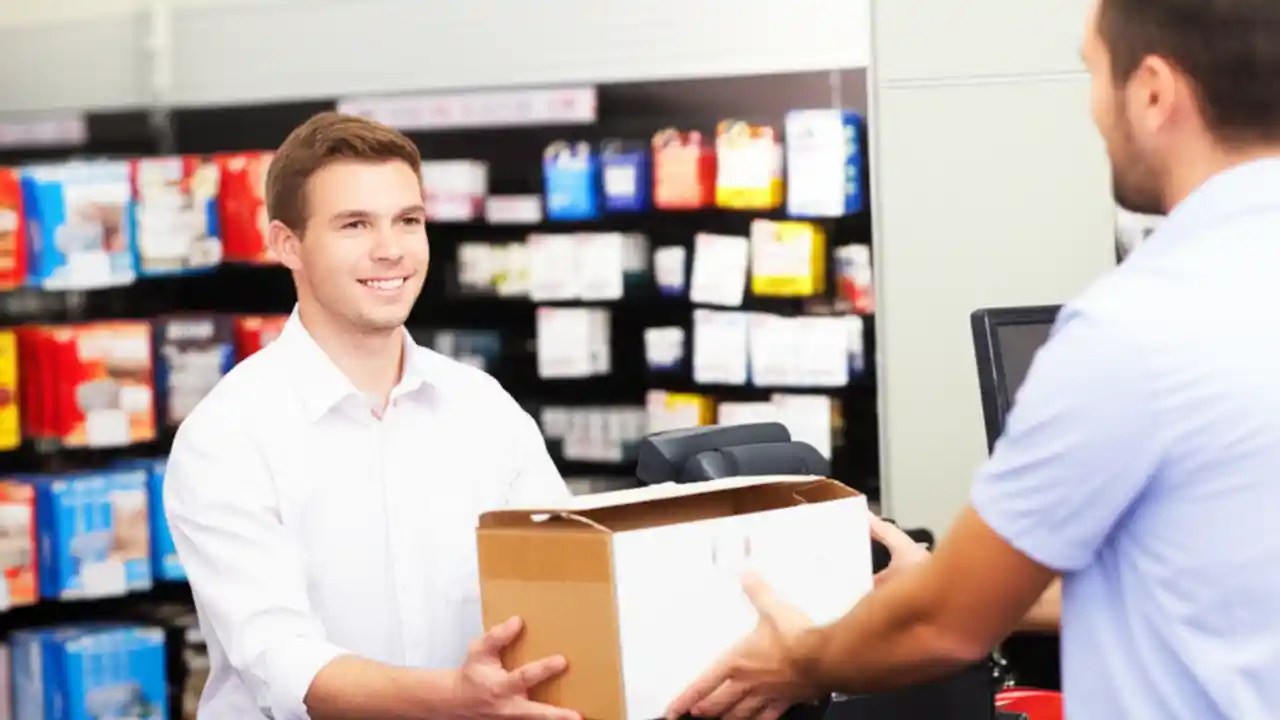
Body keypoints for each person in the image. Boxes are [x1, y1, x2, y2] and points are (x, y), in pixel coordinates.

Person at [666, 0, 1280, 718]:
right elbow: (1220, 584)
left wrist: (801, 656)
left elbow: (940, 626)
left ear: (1150, 92)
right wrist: (979, 591)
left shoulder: (1140, 324)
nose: (1093, 112)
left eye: (1093, 75)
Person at [165, 112, 581, 720]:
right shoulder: (228, 435)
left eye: (408, 221)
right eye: (355, 224)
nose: (391, 250)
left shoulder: (484, 408)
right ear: (287, 244)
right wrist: (456, 700)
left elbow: (566, 578)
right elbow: (284, 662)